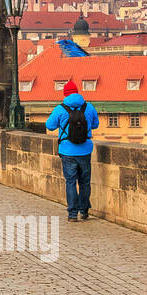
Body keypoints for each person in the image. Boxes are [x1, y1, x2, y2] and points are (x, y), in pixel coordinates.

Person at [45, 79, 100, 222]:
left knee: (70, 182)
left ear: (65, 94)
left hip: (67, 151)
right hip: (85, 150)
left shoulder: (60, 109)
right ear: (77, 92)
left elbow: (49, 126)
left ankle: (73, 214)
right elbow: (95, 124)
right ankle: (84, 211)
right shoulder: (89, 107)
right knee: (85, 182)